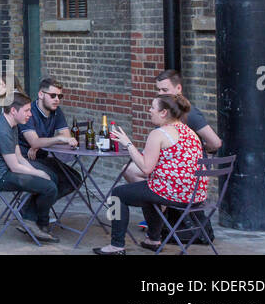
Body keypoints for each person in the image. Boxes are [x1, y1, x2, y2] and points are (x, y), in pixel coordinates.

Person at [94, 93, 210, 255]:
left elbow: (146, 168)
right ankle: (153, 240)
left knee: (118, 194)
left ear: (163, 113)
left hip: (174, 193)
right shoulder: (190, 133)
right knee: (147, 192)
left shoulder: (159, 134)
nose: (149, 110)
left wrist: (127, 143)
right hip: (195, 196)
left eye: (152, 107)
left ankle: (116, 245)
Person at [0, 92, 59, 243]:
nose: (30, 114)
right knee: (49, 187)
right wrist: (37, 173)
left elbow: (20, 157)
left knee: (51, 176)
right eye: (27, 110)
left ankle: (30, 217)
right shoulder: (2, 130)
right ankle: (40, 225)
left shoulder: (12, 125)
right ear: (14, 111)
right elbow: (15, 166)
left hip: (6, 170)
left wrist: (38, 173)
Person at [19, 77, 82, 201]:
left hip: (42, 157)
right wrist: (51, 140)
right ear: (41, 94)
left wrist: (40, 144)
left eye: (59, 96)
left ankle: (33, 208)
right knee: (51, 178)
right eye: (53, 95)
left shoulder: (57, 112)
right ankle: (29, 210)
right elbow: (35, 141)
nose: (57, 100)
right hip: (24, 158)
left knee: (74, 179)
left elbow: (67, 138)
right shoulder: (28, 111)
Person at [154, 69, 222, 153]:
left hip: (191, 164)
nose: (160, 93)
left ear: (178, 88)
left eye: (165, 90)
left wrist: (196, 150)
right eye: (158, 89)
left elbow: (215, 143)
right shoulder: (160, 111)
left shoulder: (190, 113)